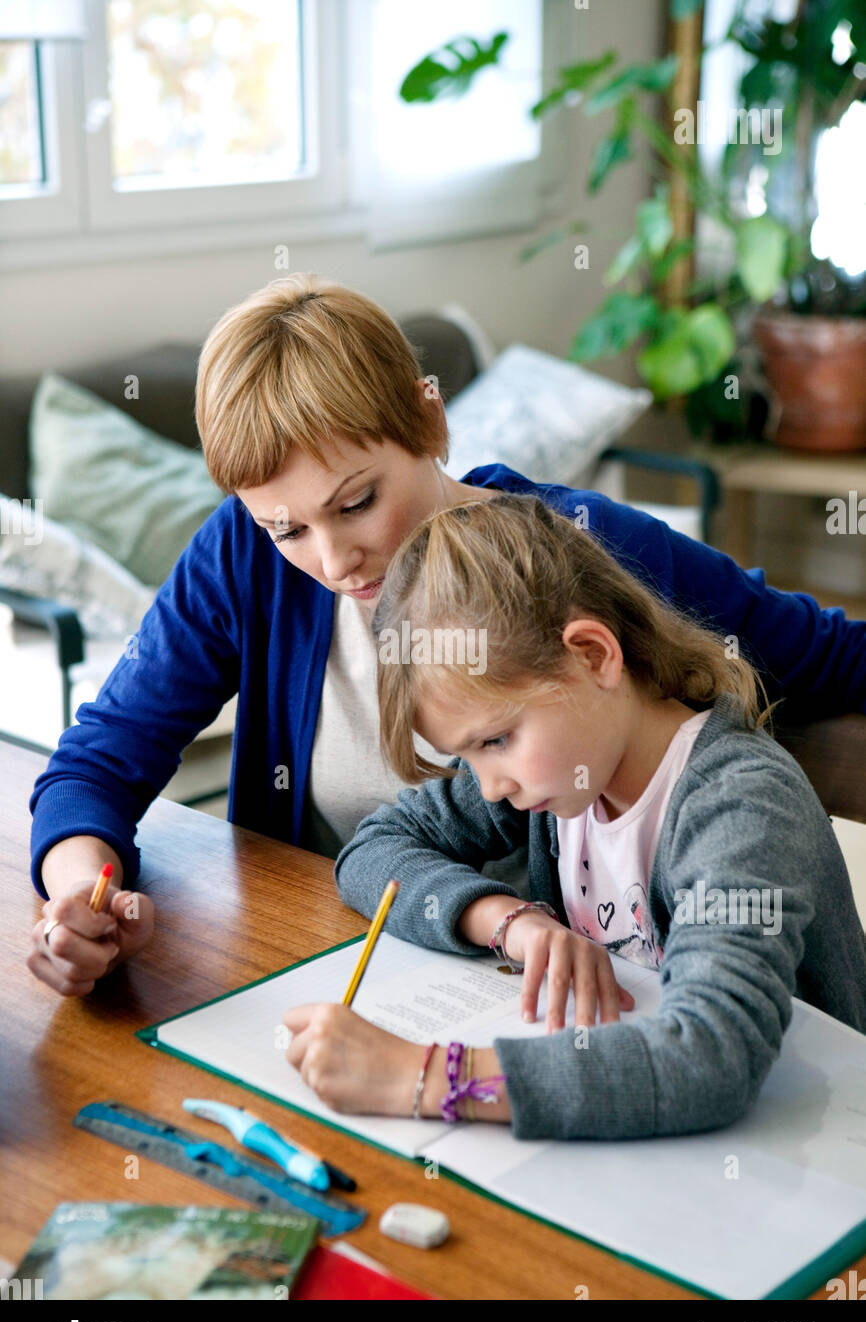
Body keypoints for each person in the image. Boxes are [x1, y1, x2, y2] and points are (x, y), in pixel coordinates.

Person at [27, 273, 866, 1000]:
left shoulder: (574, 549)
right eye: (288, 528)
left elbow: (829, 656)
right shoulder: (245, 556)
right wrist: (81, 899)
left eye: (357, 502)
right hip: (325, 956)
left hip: (546, 988)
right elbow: (103, 755)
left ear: (429, 421)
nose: (333, 559)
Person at [283, 493, 866, 1140]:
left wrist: (420, 1076)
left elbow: (712, 1056)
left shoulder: (739, 805)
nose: (491, 787)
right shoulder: (562, 774)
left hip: (809, 1153)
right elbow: (374, 851)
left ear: (593, 655)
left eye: (495, 740)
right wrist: (510, 922)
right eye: (466, 755)